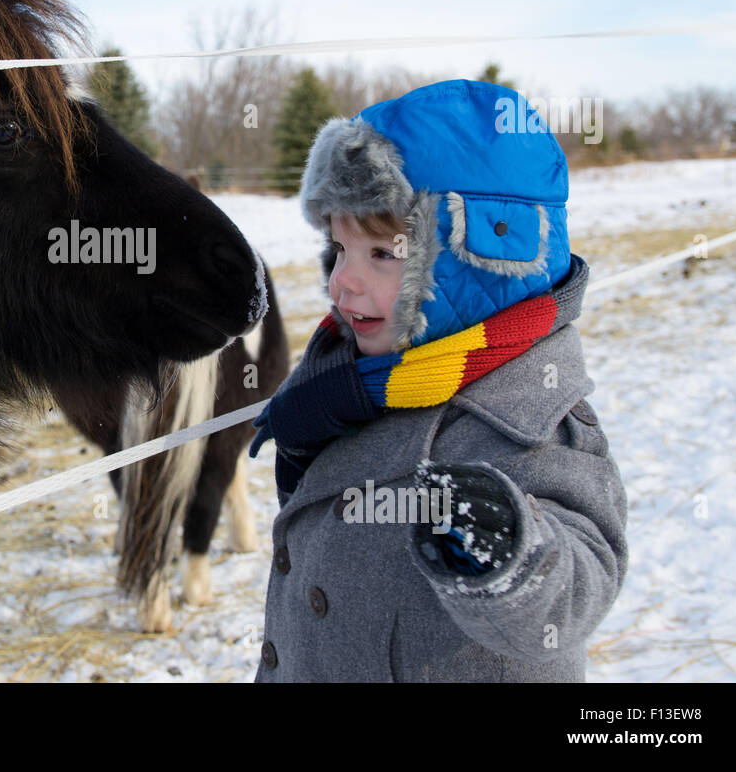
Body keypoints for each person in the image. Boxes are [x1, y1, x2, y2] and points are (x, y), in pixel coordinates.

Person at [247, 78, 629, 681]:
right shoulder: (355, 381)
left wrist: (508, 550)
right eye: (339, 249)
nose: (341, 281)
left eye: (381, 253)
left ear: (477, 259)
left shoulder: (530, 418)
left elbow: (581, 580)